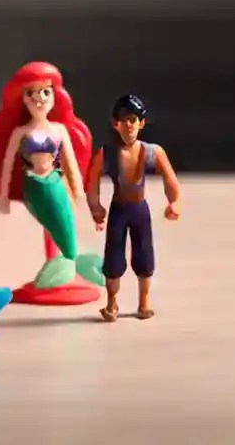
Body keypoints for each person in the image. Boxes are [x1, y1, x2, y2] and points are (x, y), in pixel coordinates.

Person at [0, 62, 104, 296]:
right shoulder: (21, 133)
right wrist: (4, 196)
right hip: (34, 186)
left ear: (55, 96)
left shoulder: (59, 130)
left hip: (56, 184)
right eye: (31, 93)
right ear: (23, 99)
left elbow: (71, 165)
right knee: (53, 225)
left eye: (46, 91)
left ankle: (67, 267)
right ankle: (64, 267)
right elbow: (7, 164)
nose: (39, 98)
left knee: (62, 227)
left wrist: (79, 193)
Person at [85, 94, 182, 321]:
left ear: (141, 123)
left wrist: (174, 201)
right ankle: (111, 304)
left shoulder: (152, 152)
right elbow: (92, 182)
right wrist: (95, 206)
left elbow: (170, 180)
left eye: (133, 119)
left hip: (139, 209)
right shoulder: (106, 154)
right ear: (115, 124)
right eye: (124, 120)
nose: (129, 125)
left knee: (144, 256)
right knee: (113, 258)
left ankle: (143, 303)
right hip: (119, 210)